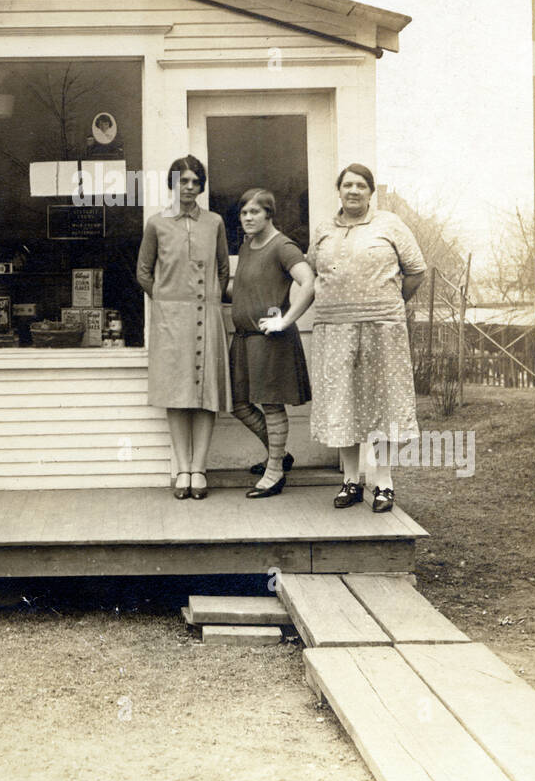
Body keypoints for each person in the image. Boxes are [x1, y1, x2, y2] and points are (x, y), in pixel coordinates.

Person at [307, 164, 426, 513]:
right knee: (344, 401)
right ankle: (350, 481)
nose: (354, 191)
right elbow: (312, 269)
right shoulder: (324, 229)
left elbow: (415, 270)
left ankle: (384, 484)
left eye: (361, 185)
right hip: (334, 329)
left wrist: (388, 302)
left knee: (384, 400)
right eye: (347, 185)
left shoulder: (389, 224)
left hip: (381, 328)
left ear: (371, 192)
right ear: (339, 191)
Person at [136, 155, 231, 500]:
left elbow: (223, 269)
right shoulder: (157, 223)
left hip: (207, 316)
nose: (189, 187)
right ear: (173, 183)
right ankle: (182, 469)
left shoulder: (214, 222)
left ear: (202, 186)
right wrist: (166, 300)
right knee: (176, 395)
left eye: (195, 182)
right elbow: (143, 271)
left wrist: (208, 300)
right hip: (170, 322)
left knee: (206, 397)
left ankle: (200, 469)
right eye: (183, 181)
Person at [228, 189, 316, 497]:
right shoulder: (248, 246)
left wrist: (286, 320)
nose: (248, 218)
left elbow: (308, 282)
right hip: (243, 339)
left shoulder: (283, 246)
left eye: (255, 212)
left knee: (271, 405)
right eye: (244, 213)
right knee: (239, 404)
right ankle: (280, 456)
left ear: (269, 214)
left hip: (270, 340)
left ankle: (275, 472)